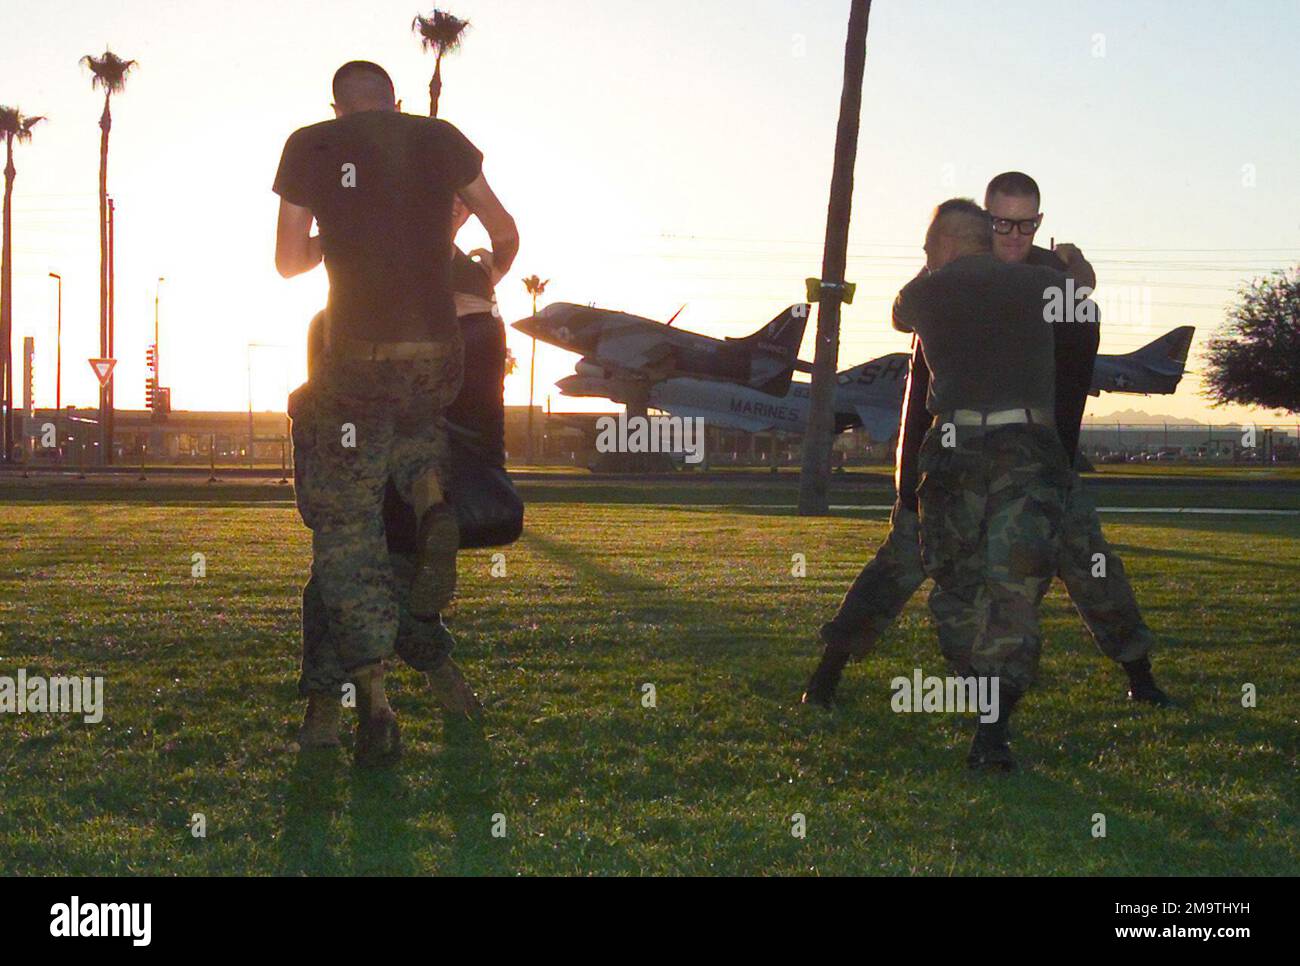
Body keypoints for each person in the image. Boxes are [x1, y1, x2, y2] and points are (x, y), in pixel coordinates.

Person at [803, 172, 1167, 709]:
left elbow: (1078, 349)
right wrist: (909, 476)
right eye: (1000, 225)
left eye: (1025, 226)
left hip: (1043, 461)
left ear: (1038, 225)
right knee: (902, 562)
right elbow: (919, 383)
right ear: (982, 230)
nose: (1012, 236)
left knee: (1091, 563)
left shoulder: (1043, 282)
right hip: (947, 463)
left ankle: (1139, 675)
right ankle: (830, 669)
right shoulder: (956, 286)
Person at [274, 60, 518, 766]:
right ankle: (427, 490)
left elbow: (290, 263)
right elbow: (507, 230)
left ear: (337, 108)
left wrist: (337, 243)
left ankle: (365, 700)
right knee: (408, 458)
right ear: (398, 102)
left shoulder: (311, 144)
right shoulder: (441, 144)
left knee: (346, 540)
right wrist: (479, 271)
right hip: (436, 367)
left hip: (357, 363)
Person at [894, 198, 1071, 769]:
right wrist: (1046, 255)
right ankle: (994, 725)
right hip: (1028, 449)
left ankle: (982, 697)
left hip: (954, 449)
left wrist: (938, 263)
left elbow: (900, 310)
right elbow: (1081, 284)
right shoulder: (1042, 284)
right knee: (1015, 587)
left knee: (956, 583)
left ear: (941, 244)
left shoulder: (923, 294)